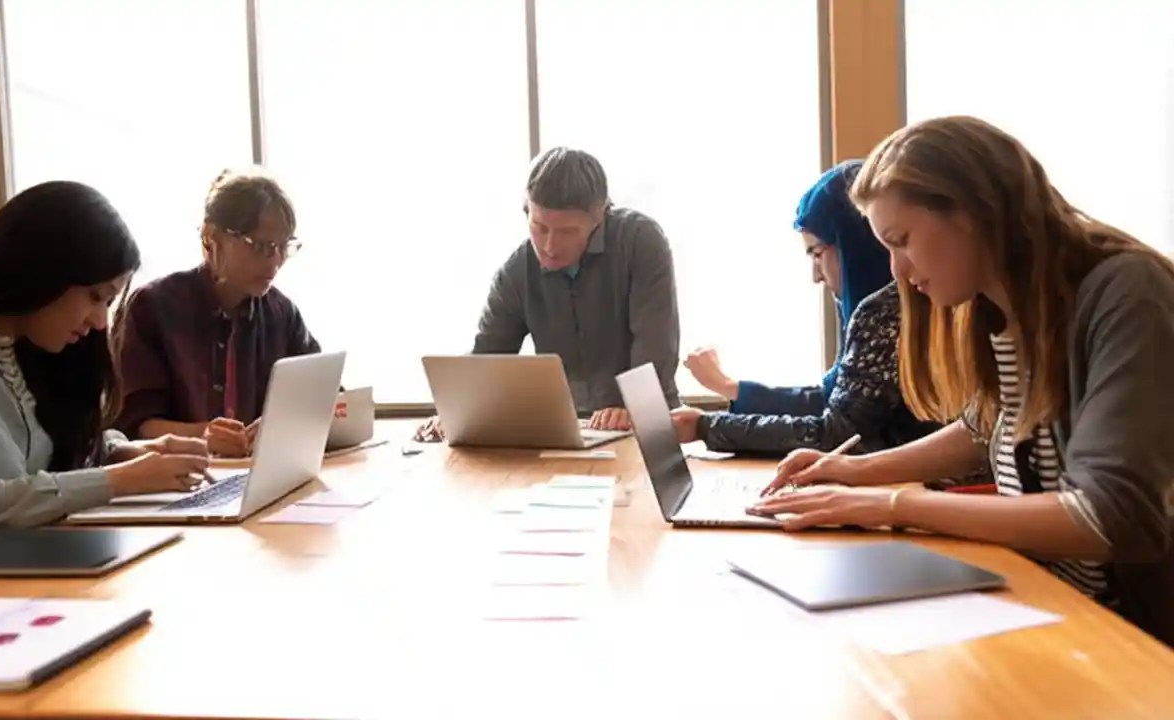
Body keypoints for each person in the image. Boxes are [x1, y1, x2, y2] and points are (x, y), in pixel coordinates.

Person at [754, 116, 1174, 647]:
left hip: (1131, 641)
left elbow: (1108, 515)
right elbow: (983, 428)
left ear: (974, 211)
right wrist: (854, 472)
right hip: (1046, 606)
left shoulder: (1126, 293)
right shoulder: (1002, 310)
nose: (897, 270)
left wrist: (893, 506)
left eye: (901, 240)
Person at [0, 181, 211, 557]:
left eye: (108, 303)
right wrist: (112, 481)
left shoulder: (29, 346)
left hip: (13, 575)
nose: (98, 322)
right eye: (96, 297)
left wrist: (115, 452)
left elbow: (30, 461)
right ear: (44, 268)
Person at [416, 146, 681, 440]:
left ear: (599, 218)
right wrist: (455, 412)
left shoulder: (641, 242)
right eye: (539, 227)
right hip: (569, 431)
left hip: (649, 423)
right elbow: (488, 357)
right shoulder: (517, 271)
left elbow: (655, 344)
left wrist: (633, 407)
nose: (550, 247)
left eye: (567, 232)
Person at [674, 160, 935, 455]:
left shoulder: (886, 313)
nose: (816, 275)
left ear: (854, 247)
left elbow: (835, 432)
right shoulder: (896, 309)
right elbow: (835, 400)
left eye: (817, 253)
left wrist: (707, 427)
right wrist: (730, 392)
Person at [112, 168, 321, 457]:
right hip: (175, 478)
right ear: (212, 237)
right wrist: (204, 435)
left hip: (255, 475)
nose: (275, 260)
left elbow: (321, 396)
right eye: (262, 246)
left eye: (283, 246)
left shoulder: (281, 313)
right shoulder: (153, 307)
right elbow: (131, 426)